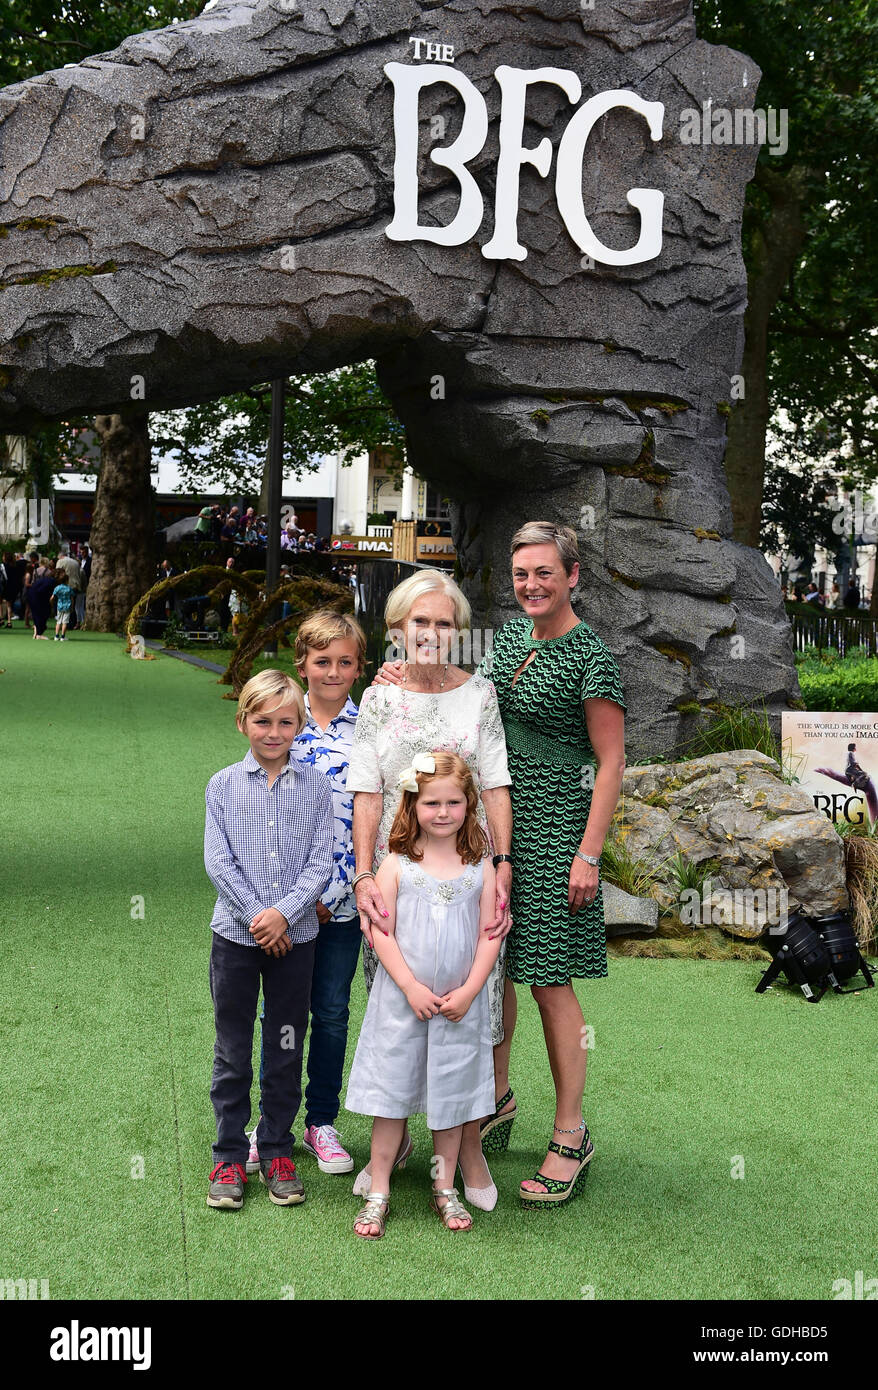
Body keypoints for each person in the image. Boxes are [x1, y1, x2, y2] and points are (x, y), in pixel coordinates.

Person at [372, 521, 626, 1209]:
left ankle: (571, 1134)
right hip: (495, 828)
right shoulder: (511, 638)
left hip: (558, 832)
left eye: (545, 572)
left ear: (573, 576)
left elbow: (611, 763)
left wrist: (589, 853)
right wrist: (407, 672)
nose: (532, 584)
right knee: (496, 968)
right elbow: (466, 700)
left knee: (546, 979)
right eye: (521, 574)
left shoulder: (592, 658)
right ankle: (495, 1096)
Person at [346, 568, 513, 1203]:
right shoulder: (379, 697)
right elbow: (367, 788)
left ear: (459, 631)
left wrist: (501, 868)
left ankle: (469, 1152)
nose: (433, 633)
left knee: (472, 1017)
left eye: (445, 623)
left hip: (469, 874)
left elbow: (495, 785)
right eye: (421, 621)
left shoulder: (480, 696)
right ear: (398, 629)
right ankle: (396, 1145)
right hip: (396, 876)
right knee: (396, 1012)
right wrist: (363, 875)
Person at [346, 751, 501, 1238]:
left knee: (450, 1100)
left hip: (459, 1006)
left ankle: (444, 1187)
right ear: (413, 805)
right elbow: (380, 933)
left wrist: (471, 990)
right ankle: (379, 1190)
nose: (442, 812)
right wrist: (410, 986)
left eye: (454, 802)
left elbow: (490, 934)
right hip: (402, 1002)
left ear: (469, 805)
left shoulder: (480, 866)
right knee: (392, 1097)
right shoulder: (395, 865)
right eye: (431, 802)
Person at [203, 670, 335, 1210]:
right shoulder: (222, 785)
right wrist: (260, 916)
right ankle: (229, 1156)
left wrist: (284, 915)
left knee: (285, 1045)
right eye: (263, 721)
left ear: (300, 726)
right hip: (235, 938)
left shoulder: (316, 786)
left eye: (286, 722)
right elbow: (218, 860)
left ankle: (277, 1147)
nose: (274, 732)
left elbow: (321, 861)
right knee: (233, 1050)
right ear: (243, 723)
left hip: (296, 939)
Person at [247, 610, 366, 1179]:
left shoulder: (370, 728)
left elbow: (375, 814)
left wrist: (337, 889)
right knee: (281, 1013)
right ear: (303, 665)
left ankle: (321, 1120)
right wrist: (294, 900)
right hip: (287, 909)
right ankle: (271, 1123)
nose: (334, 671)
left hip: (342, 906)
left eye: (345, 662)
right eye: (323, 661)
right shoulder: (285, 725)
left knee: (334, 1011)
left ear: (359, 667)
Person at [28, 563, 55, 639]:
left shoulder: (48, 579)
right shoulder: (51, 581)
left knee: (37, 614)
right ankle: (38, 633)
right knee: (41, 614)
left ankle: (36, 633)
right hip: (36, 596)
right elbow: (41, 591)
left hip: (33, 595)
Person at [51, 575, 74, 640]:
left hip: (59, 606)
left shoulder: (57, 588)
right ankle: (63, 637)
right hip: (67, 606)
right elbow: (72, 599)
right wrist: (72, 606)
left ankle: (56, 636)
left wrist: (51, 603)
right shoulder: (69, 588)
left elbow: (52, 597)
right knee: (65, 622)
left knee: (58, 621)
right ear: (67, 580)